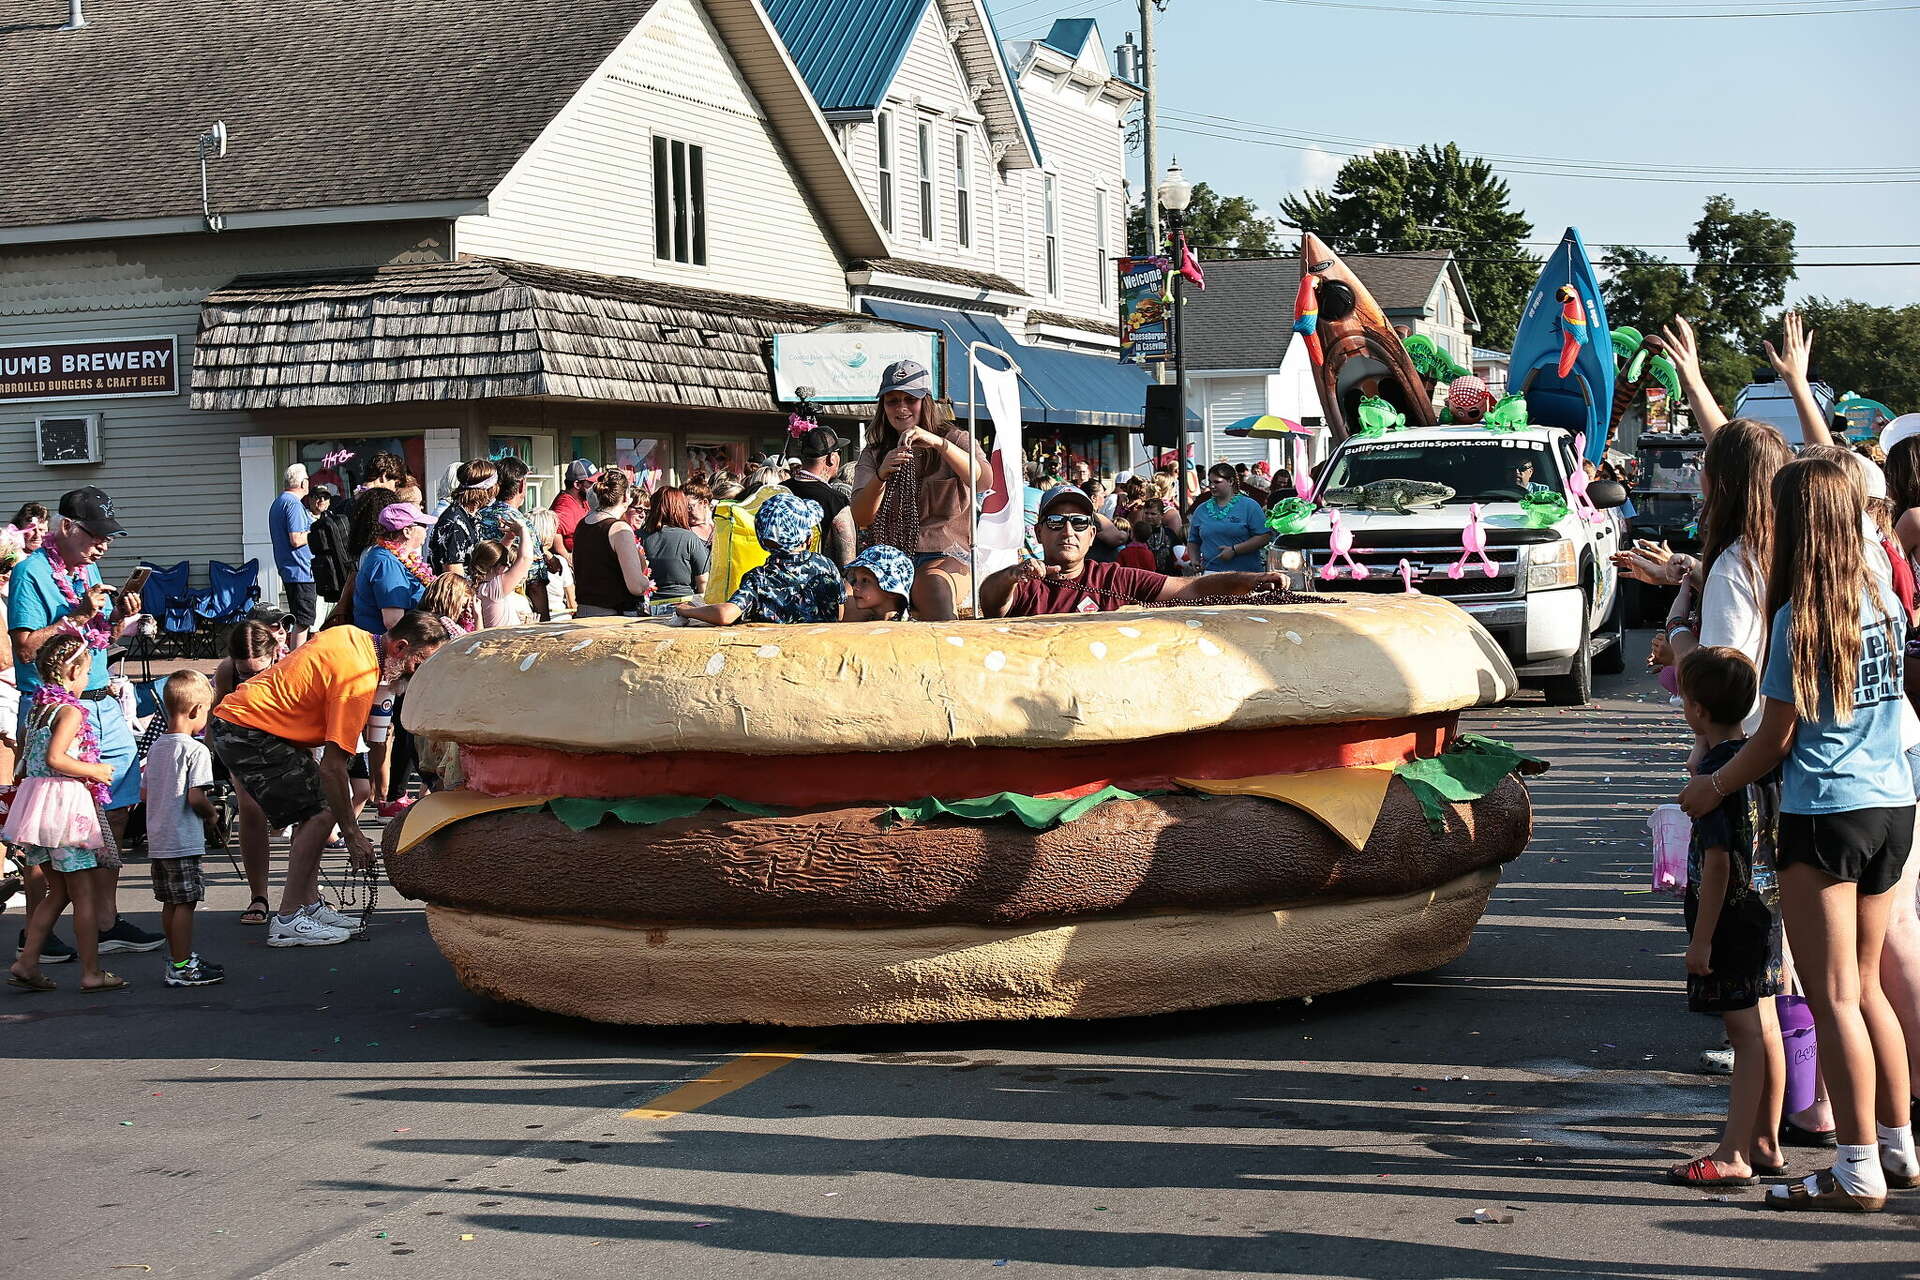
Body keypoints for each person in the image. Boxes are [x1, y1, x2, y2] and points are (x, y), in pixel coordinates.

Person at [1679, 457, 1917, 1213]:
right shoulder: (1882, 596)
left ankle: (1855, 1169)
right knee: (1868, 986)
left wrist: (1713, 785)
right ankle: (1898, 1146)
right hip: (1893, 802)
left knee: (1833, 996)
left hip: (1825, 813)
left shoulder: (1800, 618)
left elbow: (1774, 737)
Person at [209, 612, 450, 947]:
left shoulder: (354, 636)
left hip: (249, 725)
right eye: (420, 662)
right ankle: (289, 917)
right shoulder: (358, 681)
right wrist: (351, 833)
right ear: (400, 647)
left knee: (317, 810)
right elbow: (333, 768)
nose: (419, 672)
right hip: (248, 730)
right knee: (322, 812)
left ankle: (307, 905)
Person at [8, 487, 160, 960]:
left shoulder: (86, 569)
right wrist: (77, 614)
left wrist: (115, 620)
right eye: (95, 535)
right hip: (54, 706)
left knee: (117, 806)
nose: (103, 546)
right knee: (47, 825)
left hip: (101, 701)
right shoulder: (31, 572)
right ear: (67, 527)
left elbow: (93, 640)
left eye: (108, 537)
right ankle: (37, 933)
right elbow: (26, 649)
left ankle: (105, 922)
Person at [1668, 646, 1787, 1188]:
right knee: (1765, 1026)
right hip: (1764, 910)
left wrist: (1701, 941)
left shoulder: (1714, 783)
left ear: (1696, 709)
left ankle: (1734, 1151)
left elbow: (1716, 866)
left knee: (1745, 1035)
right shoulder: (1754, 761)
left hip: (1729, 921)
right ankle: (1765, 1141)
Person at [5, 636, 124, 992]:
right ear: (72, 672)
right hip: (65, 811)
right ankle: (91, 972)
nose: (88, 679)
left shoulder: (39, 709)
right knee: (83, 892)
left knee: (57, 892)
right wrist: (95, 770)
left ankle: (27, 962)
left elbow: (27, 760)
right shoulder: (70, 711)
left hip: (39, 809)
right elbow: (56, 758)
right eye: (87, 673)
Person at [980, 486, 1289, 617]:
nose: (1068, 531)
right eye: (1056, 522)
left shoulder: (1116, 579)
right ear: (1039, 532)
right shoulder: (1024, 583)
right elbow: (990, 601)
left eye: (1079, 522)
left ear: (1092, 534)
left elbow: (1192, 587)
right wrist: (1011, 575)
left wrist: (1252, 580)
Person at [850, 360, 987, 621]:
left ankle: (947, 645)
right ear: (883, 406)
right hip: (889, 557)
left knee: (931, 587)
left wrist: (939, 444)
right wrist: (880, 476)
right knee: (849, 598)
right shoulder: (874, 452)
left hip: (946, 554)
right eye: (892, 401)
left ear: (926, 401)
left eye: (910, 399)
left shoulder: (956, 439)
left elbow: (984, 481)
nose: (901, 408)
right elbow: (861, 517)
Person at [141, 671, 224, 988]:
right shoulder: (196, 750)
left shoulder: (156, 747)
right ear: (196, 710)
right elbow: (196, 797)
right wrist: (212, 815)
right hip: (183, 840)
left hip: (159, 838)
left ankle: (177, 958)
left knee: (170, 902)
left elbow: (145, 793)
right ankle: (182, 964)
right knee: (186, 903)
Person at [212, 622, 287, 927]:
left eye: (259, 672)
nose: (251, 680)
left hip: (286, 735)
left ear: (274, 655)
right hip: (241, 736)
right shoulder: (226, 671)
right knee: (251, 808)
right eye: (245, 673)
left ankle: (305, 895)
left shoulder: (289, 668)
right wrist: (211, 760)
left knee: (308, 814)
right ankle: (259, 895)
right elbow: (217, 713)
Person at [676, 492, 840, 626]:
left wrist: (686, 610)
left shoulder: (758, 578)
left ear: (762, 539)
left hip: (775, 651)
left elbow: (725, 615)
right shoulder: (826, 566)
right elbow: (840, 613)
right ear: (808, 538)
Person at [478, 456, 553, 619]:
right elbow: (534, 581)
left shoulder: (478, 516)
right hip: (512, 610)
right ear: (521, 485)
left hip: (479, 604)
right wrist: (545, 622)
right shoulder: (521, 524)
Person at [574, 470, 654, 617]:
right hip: (613, 617)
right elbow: (636, 586)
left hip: (584, 612)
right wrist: (645, 581)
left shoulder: (582, 524)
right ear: (626, 497)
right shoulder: (620, 529)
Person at [353, 502, 433, 638]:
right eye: (423, 525)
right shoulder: (387, 563)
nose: (426, 530)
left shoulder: (391, 557)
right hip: (389, 645)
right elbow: (394, 622)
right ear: (407, 532)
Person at [785, 426, 857, 567]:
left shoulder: (780, 490)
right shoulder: (836, 501)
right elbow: (848, 562)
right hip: (819, 578)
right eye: (839, 452)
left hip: (776, 576)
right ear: (831, 458)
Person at [1186, 464, 1271, 573]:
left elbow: (1264, 537)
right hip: (1212, 573)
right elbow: (1193, 541)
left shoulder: (1249, 506)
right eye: (1210, 482)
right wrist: (1194, 560)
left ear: (1231, 481)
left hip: (1246, 574)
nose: (1212, 486)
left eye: (1217, 482)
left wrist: (1235, 550)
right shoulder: (1201, 509)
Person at [640, 486, 708, 617]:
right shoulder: (690, 538)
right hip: (684, 609)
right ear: (680, 508)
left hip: (646, 608)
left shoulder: (637, 537)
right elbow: (703, 583)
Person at [269, 464, 316, 648]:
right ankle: (297, 658)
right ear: (303, 483)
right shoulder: (294, 504)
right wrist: (316, 533)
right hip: (301, 571)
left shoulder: (279, 502)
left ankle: (293, 656)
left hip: (290, 569)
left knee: (299, 617)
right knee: (303, 621)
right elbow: (296, 539)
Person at [427, 459, 496, 576]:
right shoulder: (454, 523)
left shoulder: (471, 516)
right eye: (495, 484)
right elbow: (454, 576)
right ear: (486, 489)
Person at [346, 451, 409, 559]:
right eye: (396, 483)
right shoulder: (378, 500)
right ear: (384, 475)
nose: (395, 489)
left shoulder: (354, 500)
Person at [470, 538, 534, 629]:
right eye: (507, 565)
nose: (509, 568)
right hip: (503, 638)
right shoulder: (493, 589)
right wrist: (522, 530)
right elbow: (525, 559)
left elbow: (495, 554)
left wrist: (510, 537)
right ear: (500, 568)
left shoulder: (480, 586)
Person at [305, 485, 351, 612]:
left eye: (325, 497)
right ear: (310, 499)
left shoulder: (334, 518)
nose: (322, 500)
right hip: (313, 574)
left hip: (334, 574)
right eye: (317, 496)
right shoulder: (303, 517)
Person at [842, 544, 914, 622]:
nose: (854, 587)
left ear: (893, 592)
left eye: (865, 580)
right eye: (855, 580)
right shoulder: (863, 623)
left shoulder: (908, 628)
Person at [551, 460, 599, 553]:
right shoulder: (565, 506)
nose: (595, 486)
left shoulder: (583, 499)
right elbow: (552, 529)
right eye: (591, 483)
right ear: (577, 484)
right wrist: (566, 555)